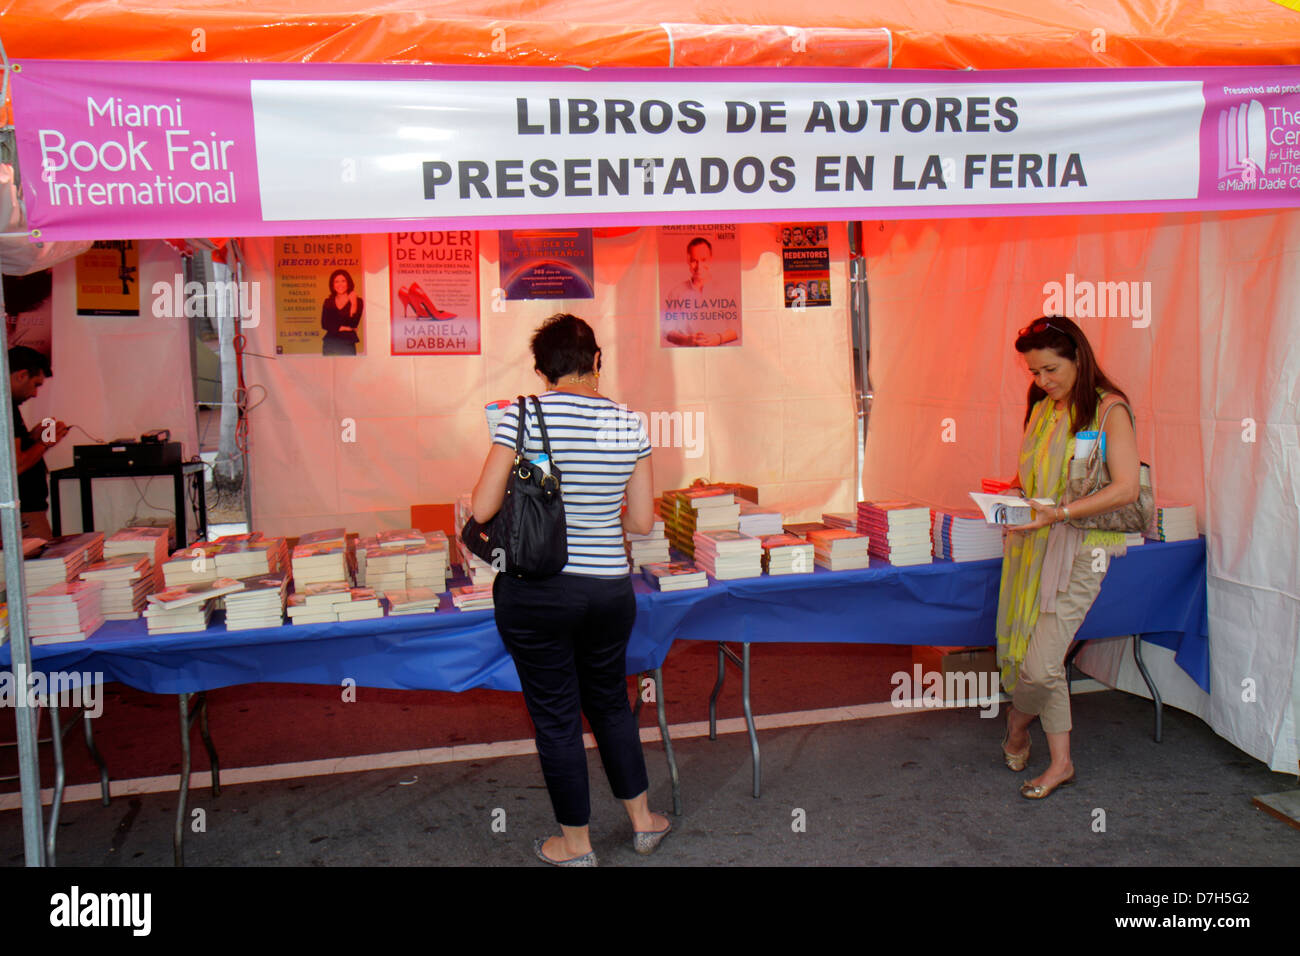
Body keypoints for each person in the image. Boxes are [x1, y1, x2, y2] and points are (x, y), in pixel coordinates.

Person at [471, 313, 671, 865]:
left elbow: (482, 508)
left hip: (536, 592)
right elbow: (642, 522)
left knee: (557, 715)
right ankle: (643, 822)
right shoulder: (630, 424)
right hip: (608, 590)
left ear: (542, 371)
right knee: (609, 702)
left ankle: (576, 845)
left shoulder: (520, 417)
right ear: (597, 361)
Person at [996, 315, 1140, 799]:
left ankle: (1018, 726)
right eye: (1034, 372)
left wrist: (1057, 512)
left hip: (1083, 547)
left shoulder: (1108, 410)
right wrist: (1014, 495)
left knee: (1041, 663)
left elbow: (1125, 490)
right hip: (1035, 541)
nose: (1043, 381)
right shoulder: (1043, 407)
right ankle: (1061, 762)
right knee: (1042, 658)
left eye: (1051, 369)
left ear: (1079, 357)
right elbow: (1032, 477)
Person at [8, 346, 68, 540]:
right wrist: (44, 444)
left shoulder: (9, 408)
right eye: (36, 384)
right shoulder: (5, 407)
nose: (34, 394)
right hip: (24, 515)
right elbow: (15, 464)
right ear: (21, 375)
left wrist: (31, 438)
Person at [663, 237, 739, 347]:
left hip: (720, 356)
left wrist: (719, 338)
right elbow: (667, 330)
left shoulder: (727, 291)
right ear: (688, 261)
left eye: (704, 260)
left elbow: (737, 329)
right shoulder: (676, 292)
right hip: (688, 357)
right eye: (694, 260)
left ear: (711, 259)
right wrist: (686, 340)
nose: (699, 266)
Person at [321, 268, 363, 356]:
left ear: (348, 283)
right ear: (332, 285)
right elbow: (325, 324)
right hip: (329, 343)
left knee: (348, 369)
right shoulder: (328, 301)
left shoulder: (358, 301)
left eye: (343, 281)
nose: (340, 284)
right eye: (336, 281)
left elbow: (353, 323)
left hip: (347, 343)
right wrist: (344, 328)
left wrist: (353, 303)